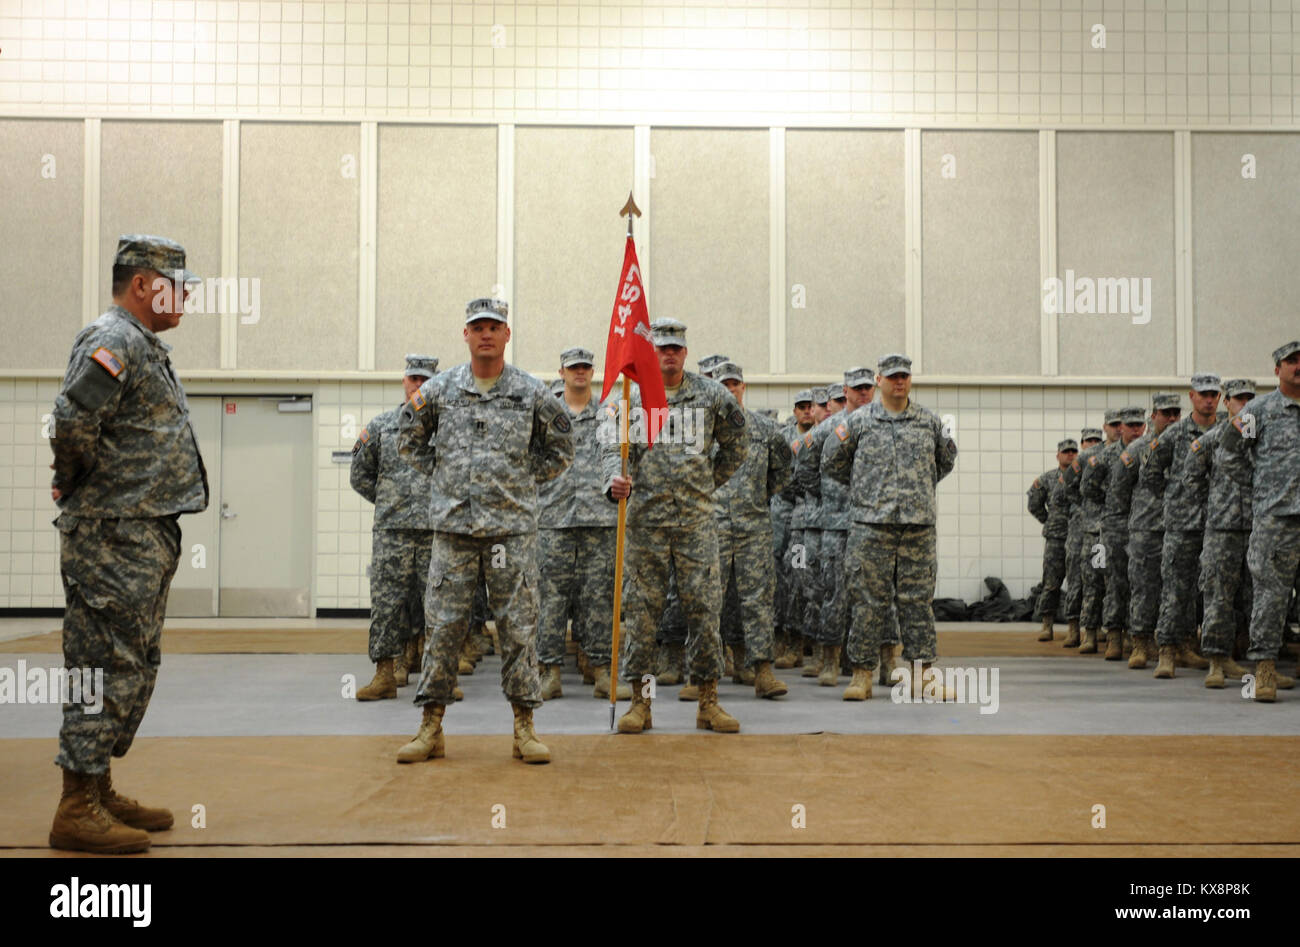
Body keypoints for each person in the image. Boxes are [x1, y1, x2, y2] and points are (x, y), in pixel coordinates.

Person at [48, 235, 210, 854]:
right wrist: (78, 481)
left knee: (132, 661)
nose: (187, 295)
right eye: (179, 284)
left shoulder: (143, 345)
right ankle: (75, 807)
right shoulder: (113, 339)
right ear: (144, 284)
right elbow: (72, 419)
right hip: (111, 533)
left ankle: (98, 788)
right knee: (102, 663)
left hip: (138, 531)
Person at [394, 298, 573, 764]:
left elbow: (561, 446)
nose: (486, 334)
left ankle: (524, 728)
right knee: (444, 629)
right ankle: (430, 726)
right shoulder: (439, 389)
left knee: (517, 630)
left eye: (495, 326)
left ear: (507, 335)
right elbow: (407, 435)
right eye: (478, 327)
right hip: (453, 531)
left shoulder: (532, 392)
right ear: (466, 335)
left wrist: (521, 480)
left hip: (510, 533)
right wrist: (443, 475)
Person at [604, 318, 748, 734]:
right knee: (643, 613)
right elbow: (612, 448)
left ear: (685, 353)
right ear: (651, 352)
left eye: (675, 348)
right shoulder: (631, 396)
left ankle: (708, 701)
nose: (668, 354)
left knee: (704, 611)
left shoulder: (712, 395)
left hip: (696, 523)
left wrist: (707, 482)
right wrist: (615, 478)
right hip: (645, 523)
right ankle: (640, 704)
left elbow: (738, 444)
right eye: (661, 348)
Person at [823, 353, 958, 701]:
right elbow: (833, 462)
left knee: (917, 603)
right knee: (867, 602)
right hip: (871, 526)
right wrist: (868, 491)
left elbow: (944, 462)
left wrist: (914, 493)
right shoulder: (858, 422)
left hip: (917, 527)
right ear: (880, 380)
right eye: (893, 376)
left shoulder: (930, 422)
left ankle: (924, 675)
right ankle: (861, 675)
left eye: (905, 376)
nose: (900, 382)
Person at [535, 347, 629, 700]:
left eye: (586, 367)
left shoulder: (610, 413)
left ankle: (603, 669)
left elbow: (623, 455)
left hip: (599, 518)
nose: (580, 372)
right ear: (561, 371)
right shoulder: (547, 412)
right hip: (554, 518)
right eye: (574, 367)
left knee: (599, 599)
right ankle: (550, 670)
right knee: (551, 599)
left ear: (593, 372)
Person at [350, 354, 439, 700]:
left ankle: (437, 677)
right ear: (404, 382)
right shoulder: (381, 426)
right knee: (386, 605)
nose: (418, 385)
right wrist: (389, 500)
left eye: (425, 380)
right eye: (413, 379)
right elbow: (360, 475)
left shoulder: (445, 429)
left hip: (435, 532)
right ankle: (385, 674)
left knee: (438, 607)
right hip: (392, 532)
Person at [1220, 341, 1300, 702]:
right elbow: (1230, 453)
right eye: (1292, 361)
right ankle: (1265, 668)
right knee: (1270, 595)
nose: (1298, 366)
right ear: (1277, 369)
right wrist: (1259, 489)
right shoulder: (1261, 410)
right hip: (1276, 519)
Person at [712, 361, 793, 698]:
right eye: (724, 385)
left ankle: (763, 671)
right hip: (712, 525)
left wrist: (757, 500)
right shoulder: (702, 429)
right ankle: (705, 675)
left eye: (736, 384)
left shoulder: (766, 429)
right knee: (707, 602)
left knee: (758, 601)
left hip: (754, 527)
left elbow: (782, 471)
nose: (731, 390)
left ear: (744, 388)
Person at [1183, 378, 1258, 687]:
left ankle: (1255, 658)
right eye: (1239, 400)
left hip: (1258, 528)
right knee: (1218, 596)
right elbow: (1191, 478)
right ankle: (1216, 660)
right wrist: (1212, 510)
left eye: (1250, 399)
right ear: (1227, 404)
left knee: (1254, 597)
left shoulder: (1264, 439)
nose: (1245, 405)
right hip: (1222, 530)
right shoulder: (1212, 439)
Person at [1148, 374, 1223, 678]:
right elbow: (1151, 471)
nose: (1209, 399)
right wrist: (1174, 493)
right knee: (1175, 589)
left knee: (1214, 590)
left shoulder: (1227, 431)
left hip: (1220, 522)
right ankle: (1166, 651)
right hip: (1181, 524)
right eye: (1203, 394)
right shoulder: (1176, 433)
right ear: (1191, 396)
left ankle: (1196, 648)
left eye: (1214, 394)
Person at [1126, 393, 1182, 668]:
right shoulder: (1137, 449)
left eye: (1176, 413)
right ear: (1154, 415)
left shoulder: (1186, 446)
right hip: (1145, 529)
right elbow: (1119, 492)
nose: (1171, 419)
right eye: (1166, 413)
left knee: (1176, 591)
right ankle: (1139, 643)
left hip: (1179, 527)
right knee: (1144, 589)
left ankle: (1177, 644)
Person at [1072, 415, 1120, 655]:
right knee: (1091, 582)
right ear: (1106, 427)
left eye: (1125, 425)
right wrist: (1085, 511)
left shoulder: (1131, 452)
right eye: (1114, 425)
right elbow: (1069, 488)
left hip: (1120, 527)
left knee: (1118, 584)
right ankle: (1089, 633)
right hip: (1094, 529)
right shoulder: (1090, 457)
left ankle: (1118, 634)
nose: (1119, 429)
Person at [778, 388, 818, 669]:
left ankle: (816, 644)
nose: (805, 411)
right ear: (794, 411)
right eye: (800, 407)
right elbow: (781, 476)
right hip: (792, 522)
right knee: (792, 581)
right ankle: (791, 642)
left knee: (819, 586)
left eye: (809, 406)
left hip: (820, 523)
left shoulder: (823, 436)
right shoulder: (785, 439)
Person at [1028, 439, 1079, 642]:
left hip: (1079, 537)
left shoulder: (1083, 475)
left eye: (1073, 451)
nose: (1070, 455)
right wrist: (1048, 520)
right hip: (1056, 538)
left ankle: (1075, 627)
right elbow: (1034, 503)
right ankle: (1047, 624)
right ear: (1058, 455)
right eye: (1066, 452)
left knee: (1078, 584)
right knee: (1051, 583)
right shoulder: (1047, 479)